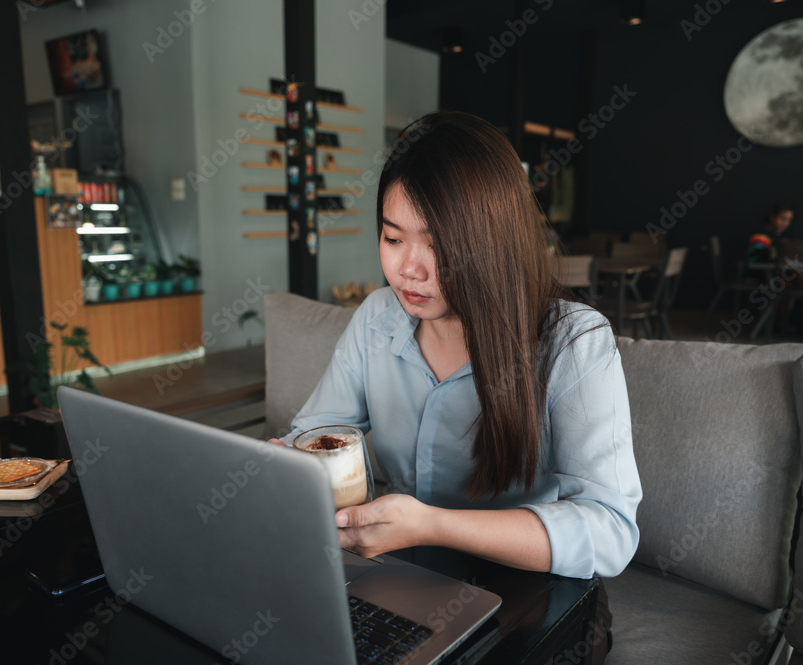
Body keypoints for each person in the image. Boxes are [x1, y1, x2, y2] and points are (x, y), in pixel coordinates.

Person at [270, 111, 641, 661]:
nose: (408, 270)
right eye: (393, 238)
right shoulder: (377, 319)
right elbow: (320, 430)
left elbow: (610, 530)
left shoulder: (572, 342)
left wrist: (433, 525)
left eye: (438, 245)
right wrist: (293, 468)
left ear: (495, 240)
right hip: (403, 579)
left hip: (529, 593)